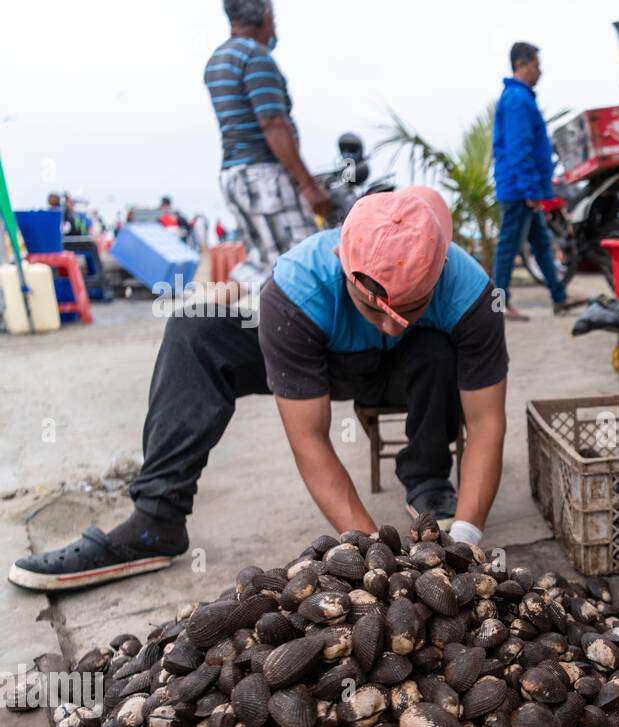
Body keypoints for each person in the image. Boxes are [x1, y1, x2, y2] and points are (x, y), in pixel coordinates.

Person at [9, 188, 508, 592]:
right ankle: (155, 519)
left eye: (410, 308)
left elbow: (486, 421)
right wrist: (372, 553)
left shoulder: (472, 294)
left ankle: (427, 481)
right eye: (373, 307)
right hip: (326, 358)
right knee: (194, 329)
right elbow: (309, 438)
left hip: (410, 368)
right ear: (342, 259)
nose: (390, 324)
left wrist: (466, 537)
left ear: (440, 267)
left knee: (436, 348)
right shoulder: (297, 286)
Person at [204, 0, 330, 295]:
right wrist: (309, 185)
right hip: (265, 177)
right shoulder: (255, 57)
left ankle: (197, 317)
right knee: (308, 259)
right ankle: (294, 337)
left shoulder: (217, 60)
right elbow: (274, 123)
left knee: (261, 263)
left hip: (234, 176)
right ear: (265, 15)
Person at [491, 41, 566, 322]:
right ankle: (499, 305)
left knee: (541, 244)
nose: (540, 71)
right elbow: (519, 148)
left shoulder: (522, 97)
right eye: (536, 65)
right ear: (521, 64)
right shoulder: (517, 99)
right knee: (507, 250)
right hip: (518, 190)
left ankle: (560, 297)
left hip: (526, 188)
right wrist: (529, 189)